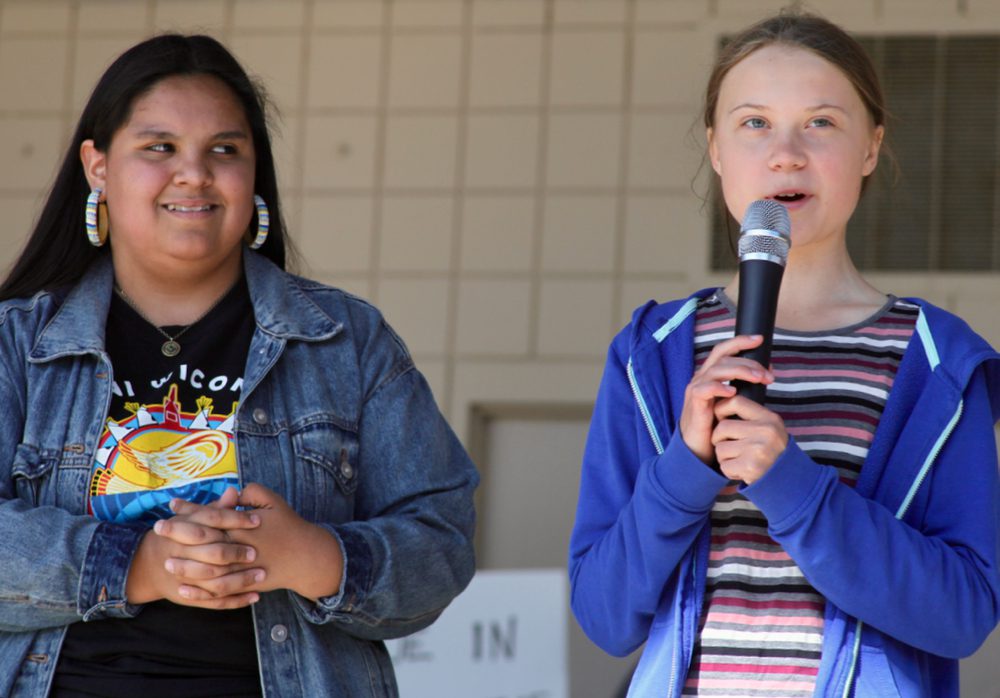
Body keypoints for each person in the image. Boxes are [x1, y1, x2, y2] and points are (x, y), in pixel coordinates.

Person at [0, 34, 478, 697]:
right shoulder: (17, 344)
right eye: (159, 147)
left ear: (254, 175)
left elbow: (441, 542)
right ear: (98, 166)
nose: (194, 173)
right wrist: (139, 563)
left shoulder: (348, 341)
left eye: (224, 150)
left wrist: (314, 557)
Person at [569, 9, 999, 698]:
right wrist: (685, 469)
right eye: (754, 123)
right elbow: (604, 615)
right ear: (716, 149)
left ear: (871, 147)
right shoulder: (652, 353)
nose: (786, 153)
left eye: (821, 122)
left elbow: (963, 615)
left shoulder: (938, 362)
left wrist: (791, 483)